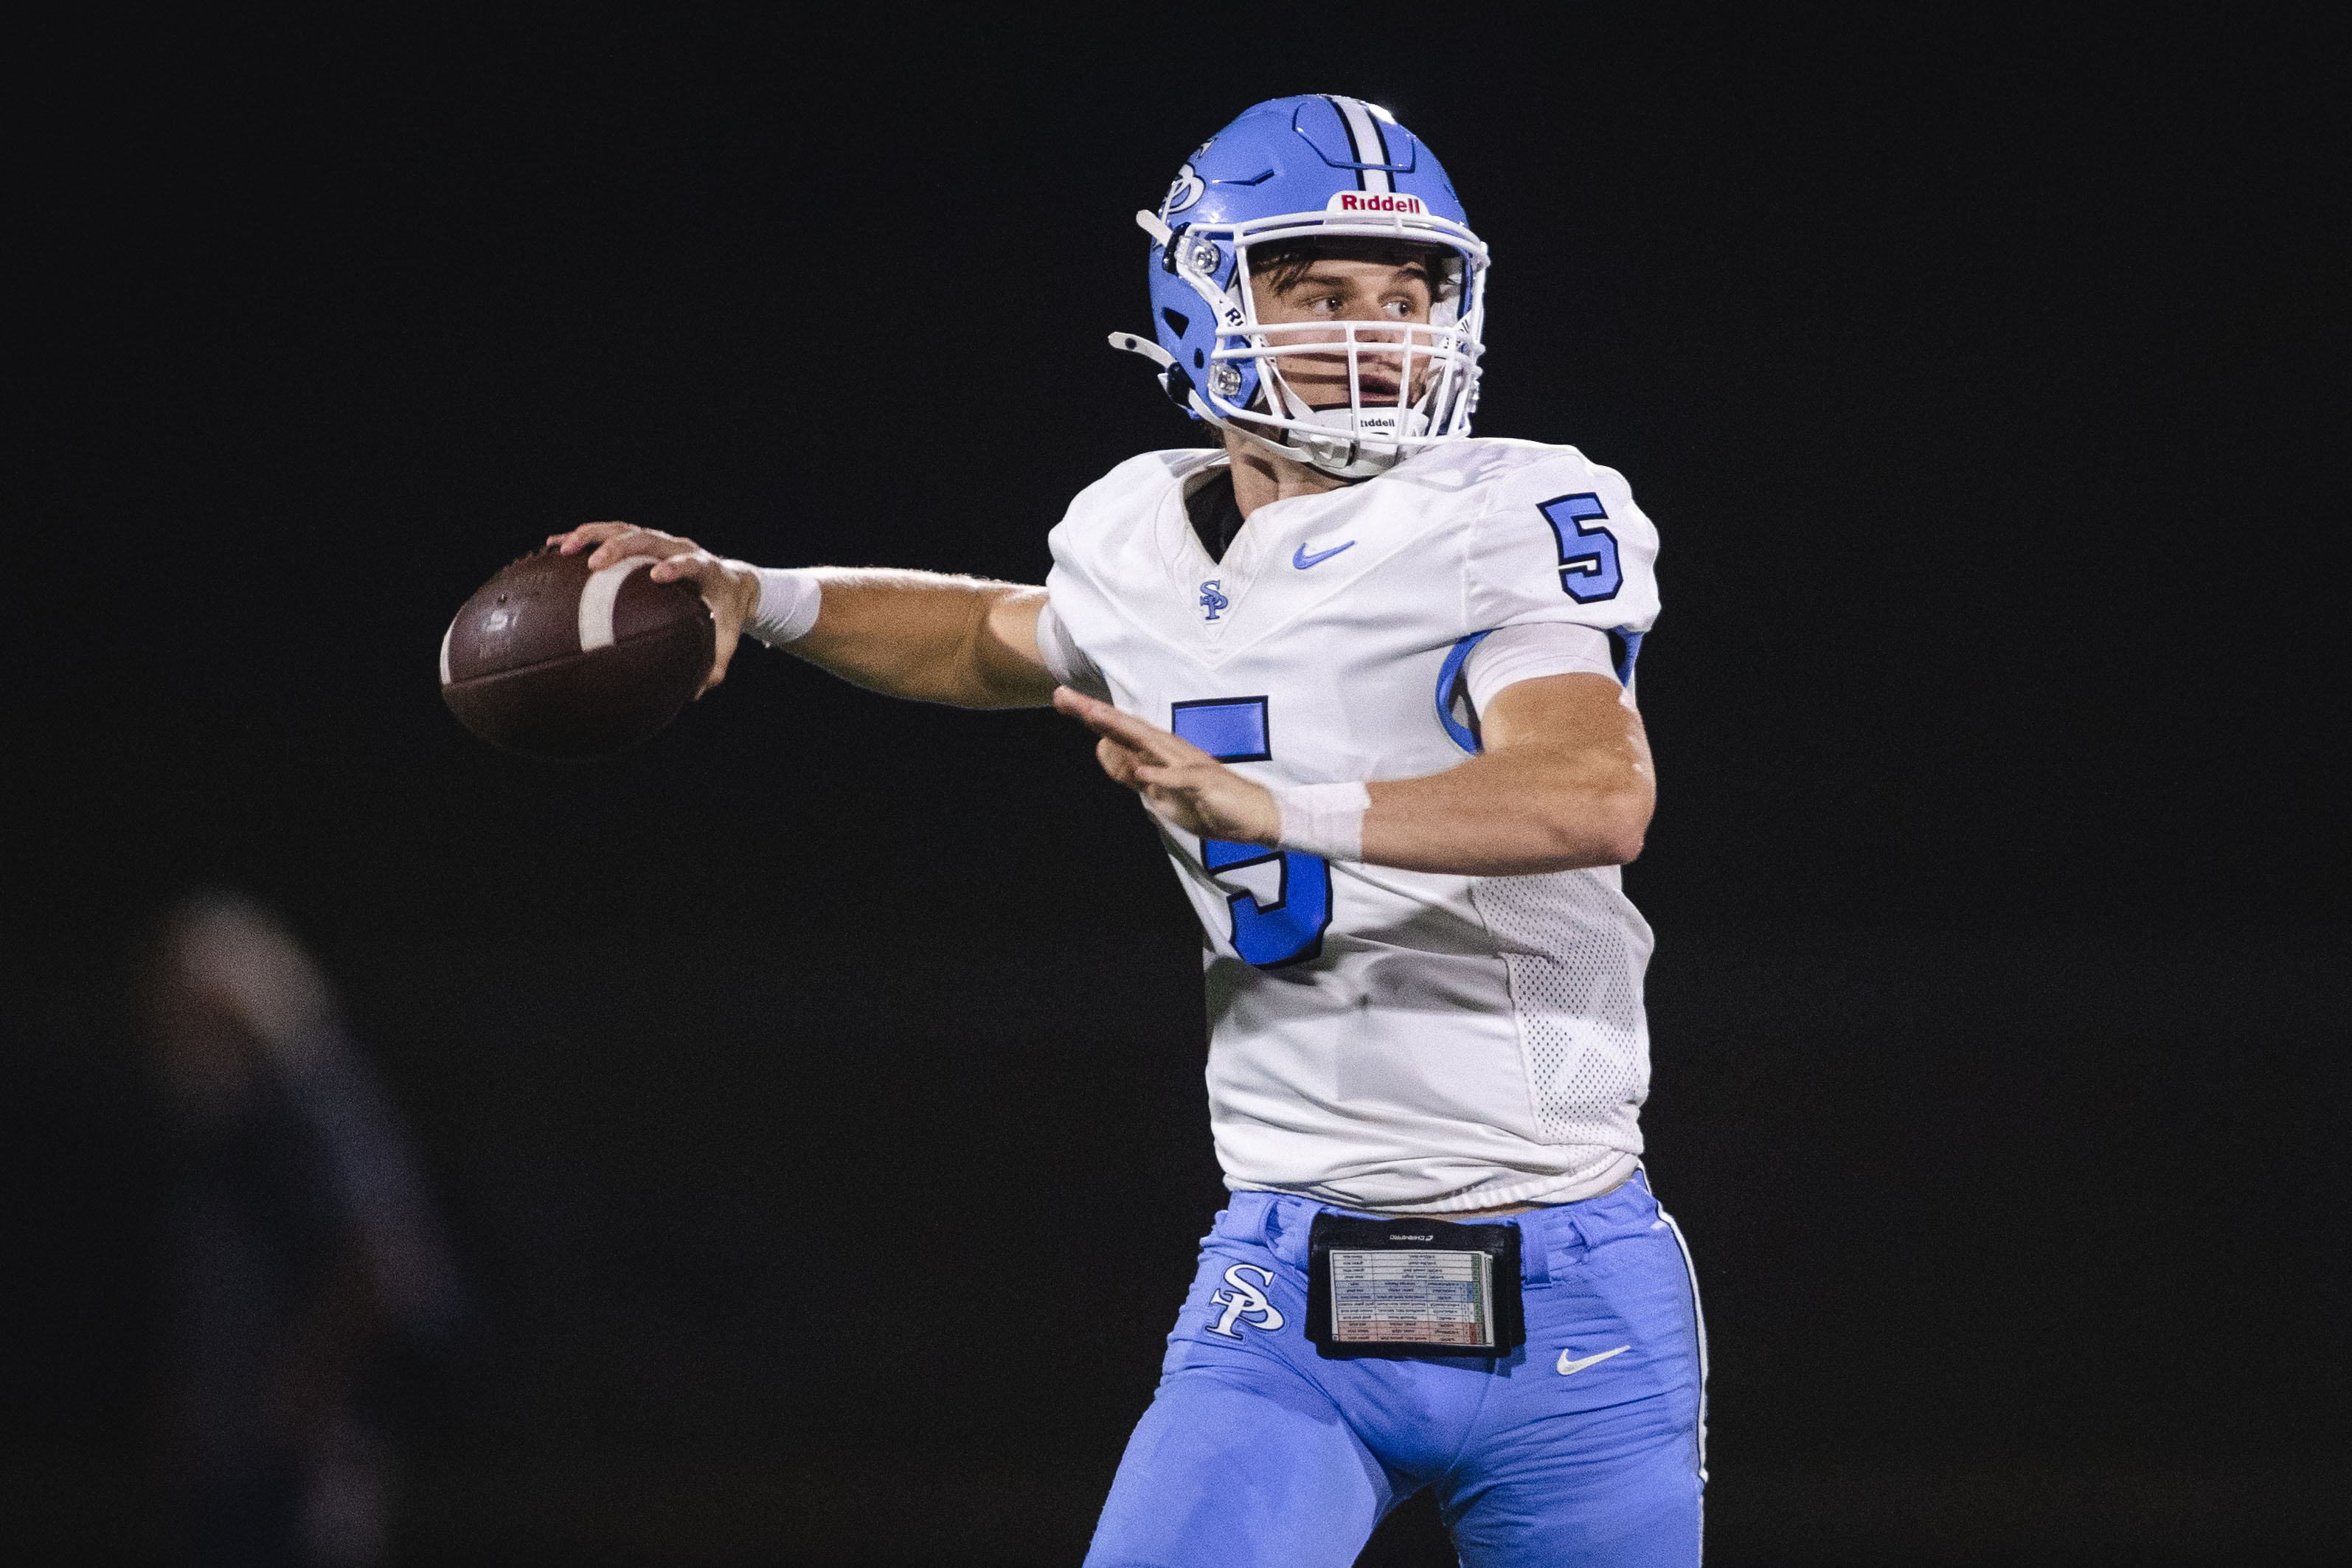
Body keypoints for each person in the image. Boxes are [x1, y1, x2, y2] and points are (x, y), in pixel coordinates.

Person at [552, 94, 1704, 1567]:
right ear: (1203, 298)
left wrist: (1276, 807)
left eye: (1405, 298)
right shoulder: (1135, 534)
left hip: (1573, 1281)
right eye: (1317, 293)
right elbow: (996, 635)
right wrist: (751, 592)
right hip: (1287, 1281)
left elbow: (1591, 790)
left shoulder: (1504, 512)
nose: (1376, 336)